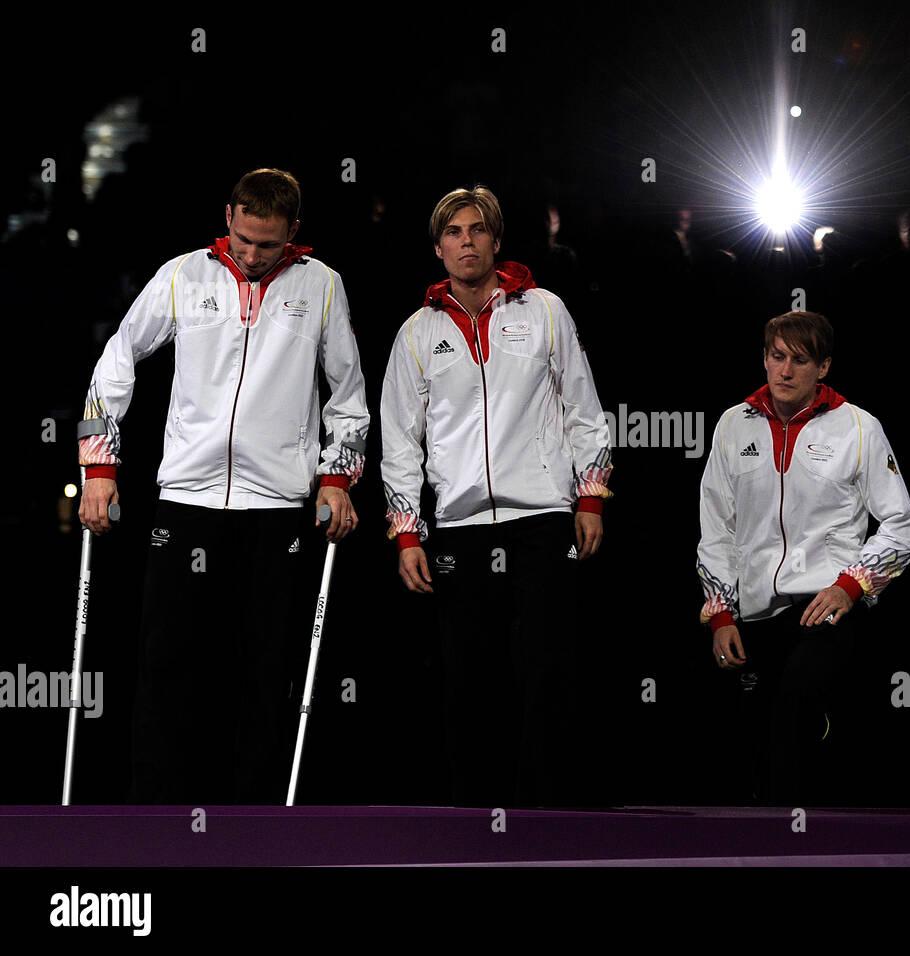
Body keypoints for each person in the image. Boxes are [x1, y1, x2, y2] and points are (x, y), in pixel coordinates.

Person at [78, 168, 369, 803]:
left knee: (265, 672)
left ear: (293, 232)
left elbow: (347, 396)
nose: (252, 256)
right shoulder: (184, 274)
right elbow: (116, 361)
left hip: (275, 510)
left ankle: (255, 821)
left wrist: (336, 479)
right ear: (229, 215)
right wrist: (99, 468)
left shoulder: (322, 285)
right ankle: (155, 815)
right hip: (186, 504)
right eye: (242, 240)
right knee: (167, 670)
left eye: (267, 245)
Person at [381, 185, 612, 807]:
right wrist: (408, 534)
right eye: (453, 232)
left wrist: (590, 495)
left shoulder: (545, 310)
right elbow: (400, 444)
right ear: (437, 247)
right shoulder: (415, 333)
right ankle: (473, 812)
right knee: (469, 679)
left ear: (496, 240)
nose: (466, 241)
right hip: (458, 527)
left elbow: (583, 410)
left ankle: (549, 811)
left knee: (548, 672)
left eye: (476, 229)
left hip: (541, 517)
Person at [697, 311, 910, 804]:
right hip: (752, 612)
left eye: (800, 360)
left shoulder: (858, 427)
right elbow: (716, 528)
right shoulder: (734, 425)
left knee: (794, 716)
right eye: (777, 357)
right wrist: (720, 613)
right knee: (753, 741)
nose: (785, 370)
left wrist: (851, 584)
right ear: (764, 358)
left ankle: (802, 847)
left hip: (824, 608)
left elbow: (902, 523)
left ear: (823, 368)